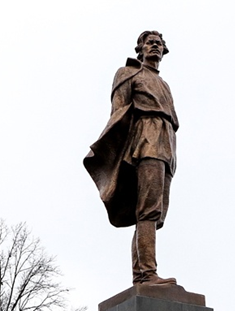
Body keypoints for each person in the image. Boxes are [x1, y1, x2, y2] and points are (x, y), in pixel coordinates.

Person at [84, 30, 179, 286]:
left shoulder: (164, 84)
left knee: (154, 216)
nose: (155, 47)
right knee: (148, 210)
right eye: (150, 43)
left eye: (159, 44)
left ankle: (142, 275)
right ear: (140, 48)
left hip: (166, 143)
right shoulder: (129, 73)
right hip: (146, 141)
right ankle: (147, 274)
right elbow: (118, 113)